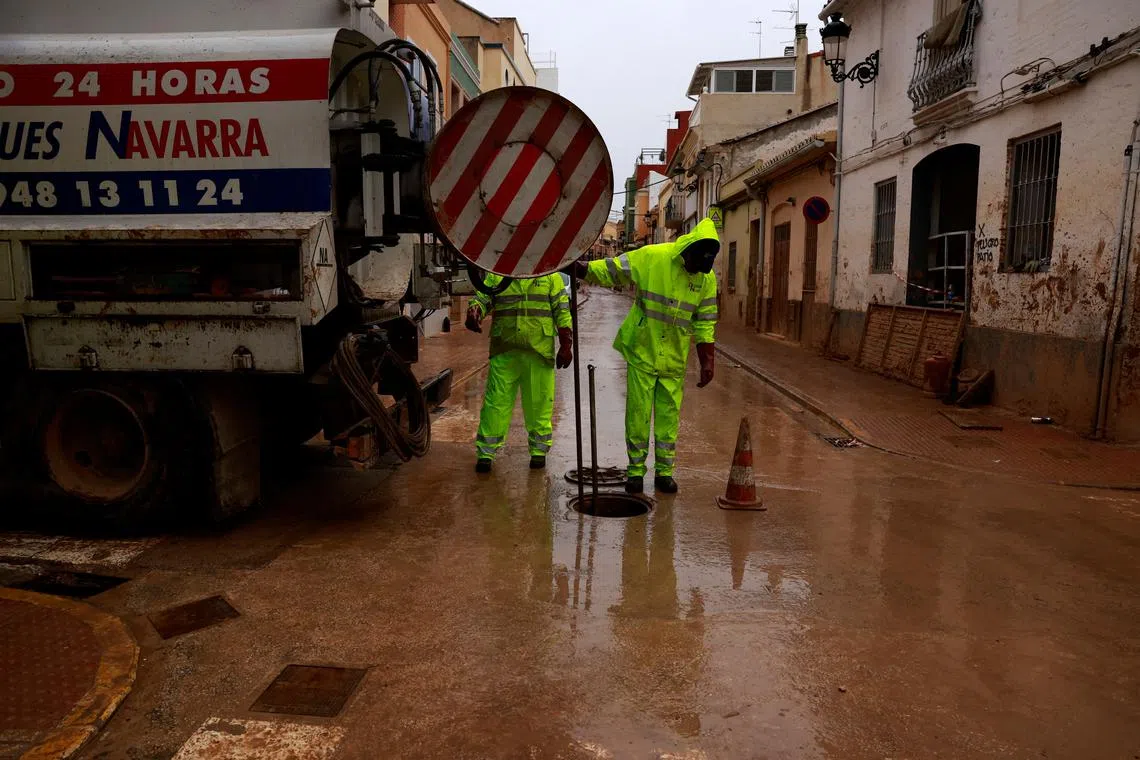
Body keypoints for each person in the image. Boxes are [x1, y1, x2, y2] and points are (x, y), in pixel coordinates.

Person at [571, 217, 720, 494]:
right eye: (694, 266)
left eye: (701, 271)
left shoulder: (706, 279)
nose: (696, 273)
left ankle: (664, 472)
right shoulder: (653, 257)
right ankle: (636, 472)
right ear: (688, 251)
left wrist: (707, 361)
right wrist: (580, 269)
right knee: (638, 414)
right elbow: (614, 270)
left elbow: (705, 321)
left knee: (668, 417)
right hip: (643, 349)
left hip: (674, 357)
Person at [466, 272, 574, 473]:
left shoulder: (550, 276)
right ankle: (486, 453)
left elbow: (562, 310)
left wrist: (566, 343)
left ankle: (538, 451)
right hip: (506, 348)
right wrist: (475, 309)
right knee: (496, 402)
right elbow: (483, 297)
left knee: (539, 401)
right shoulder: (498, 274)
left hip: (538, 350)